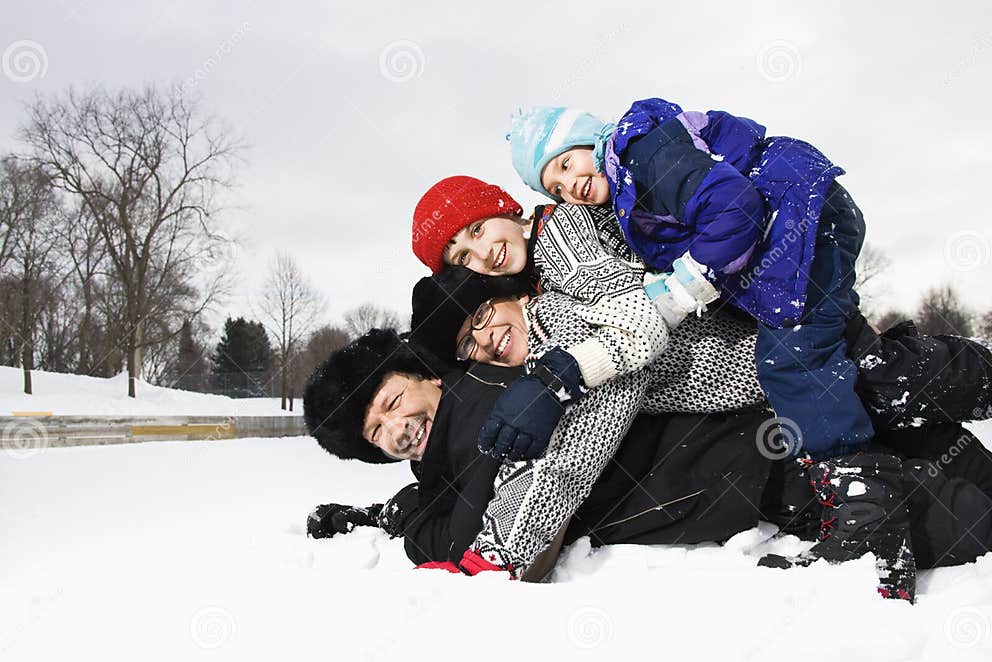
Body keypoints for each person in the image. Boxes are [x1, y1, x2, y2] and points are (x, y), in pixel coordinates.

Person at [302, 270, 992, 601]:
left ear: (420, 373)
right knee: (962, 488)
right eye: (377, 435)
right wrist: (387, 510)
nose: (396, 428)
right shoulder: (457, 440)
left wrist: (415, 514)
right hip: (764, 465)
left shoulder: (489, 400)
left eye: (390, 402)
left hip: (764, 463)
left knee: (954, 476)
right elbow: (449, 498)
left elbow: (459, 535)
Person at [507, 99, 876, 473]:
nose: (570, 185)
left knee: (791, 362)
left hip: (799, 221)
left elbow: (735, 208)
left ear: (588, 142)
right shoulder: (627, 186)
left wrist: (688, 283)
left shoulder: (643, 157)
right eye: (556, 188)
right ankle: (906, 395)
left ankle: (857, 490)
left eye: (566, 164)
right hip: (796, 228)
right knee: (839, 340)